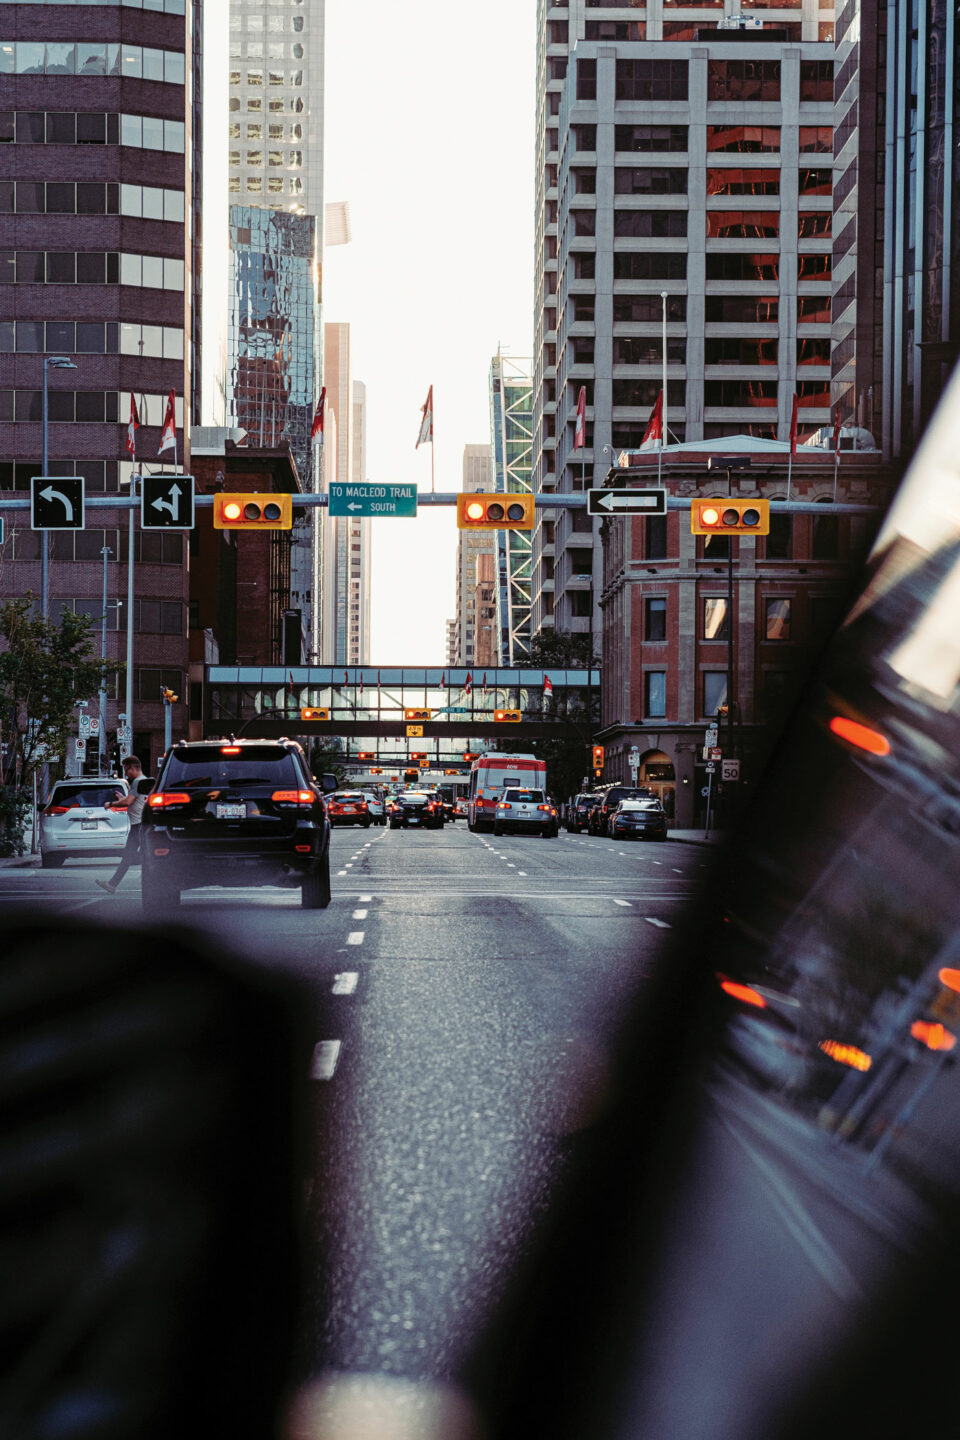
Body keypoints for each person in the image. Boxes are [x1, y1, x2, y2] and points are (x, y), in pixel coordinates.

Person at [96, 755, 152, 893]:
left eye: (126, 770)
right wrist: (123, 798)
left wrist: (111, 803)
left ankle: (160, 884)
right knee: (129, 856)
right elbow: (132, 801)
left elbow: (128, 802)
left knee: (146, 857)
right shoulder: (144, 781)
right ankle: (112, 884)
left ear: (133, 768)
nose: (126, 773)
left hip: (138, 825)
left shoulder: (138, 782)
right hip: (139, 825)